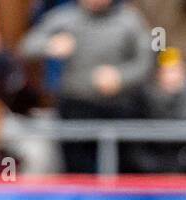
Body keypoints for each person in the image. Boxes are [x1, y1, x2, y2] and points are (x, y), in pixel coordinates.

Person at [19, 0, 155, 172]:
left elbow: (146, 61)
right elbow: (27, 45)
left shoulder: (130, 19)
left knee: (125, 168)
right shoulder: (64, 17)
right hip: (76, 106)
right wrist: (50, 45)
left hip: (120, 107)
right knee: (78, 169)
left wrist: (122, 77)